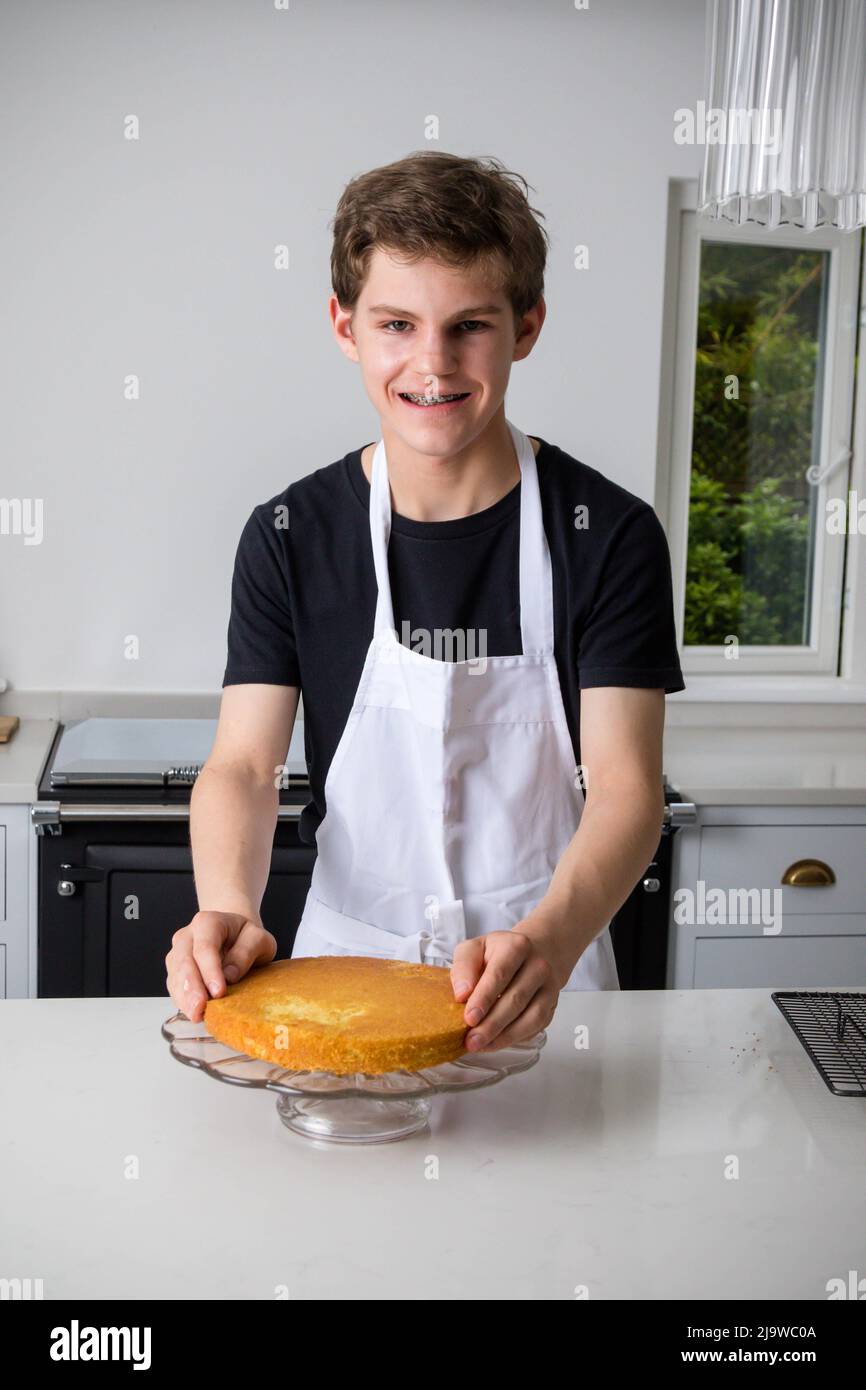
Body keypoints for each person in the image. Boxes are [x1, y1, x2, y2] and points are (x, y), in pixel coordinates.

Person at [166, 150, 685, 1056]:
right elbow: (245, 768)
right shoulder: (290, 534)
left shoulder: (608, 533)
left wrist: (551, 944)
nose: (432, 365)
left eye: (470, 326)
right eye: (397, 323)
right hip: (342, 973)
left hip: (542, 975)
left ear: (526, 328)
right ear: (345, 326)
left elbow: (628, 790)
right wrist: (226, 907)